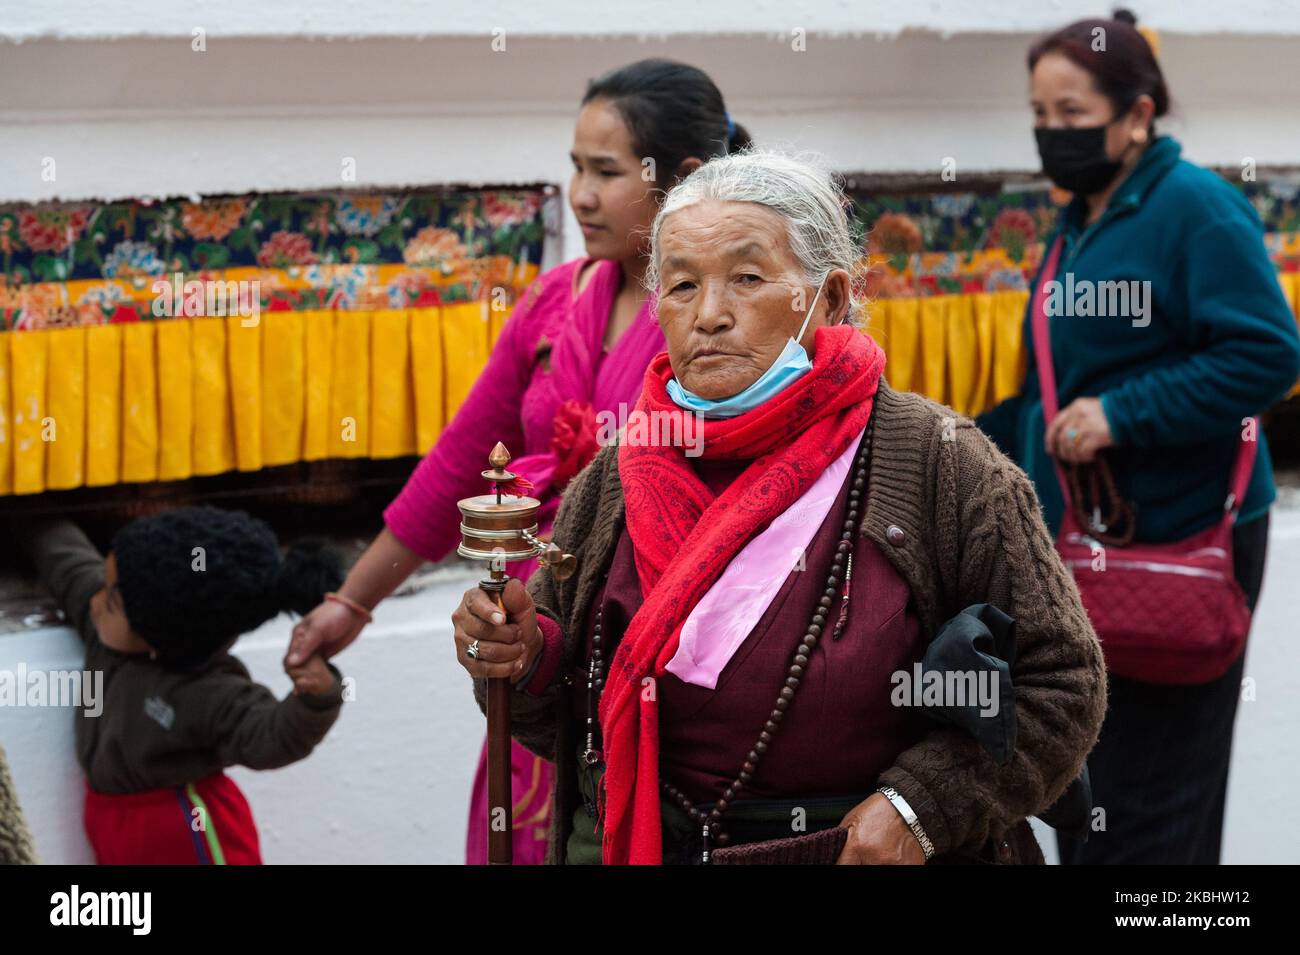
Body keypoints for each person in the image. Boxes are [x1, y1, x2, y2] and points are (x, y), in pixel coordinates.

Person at [451, 150, 1108, 865]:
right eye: (679, 285)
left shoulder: (941, 463)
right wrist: (525, 658)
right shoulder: (616, 474)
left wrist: (921, 807)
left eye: (748, 278)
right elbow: (560, 716)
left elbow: (1063, 683)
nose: (708, 315)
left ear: (826, 298)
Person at [285, 59, 751, 864]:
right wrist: (350, 605)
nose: (581, 193)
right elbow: (455, 472)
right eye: (575, 166)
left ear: (685, 178)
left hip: (669, 663)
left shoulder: (728, 323)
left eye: (606, 171)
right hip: (532, 649)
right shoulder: (554, 302)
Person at [977, 10, 1300, 864]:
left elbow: (1268, 352)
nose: (1053, 134)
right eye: (1041, 116)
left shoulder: (1195, 207)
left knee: (1155, 801)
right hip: (1089, 544)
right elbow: (1051, 389)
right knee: (1095, 791)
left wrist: (1125, 413)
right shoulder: (1080, 220)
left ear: (1138, 115)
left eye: (1073, 114)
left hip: (1185, 533)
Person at [13, 507, 345, 864]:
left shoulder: (208, 691)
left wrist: (316, 699)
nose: (94, 601)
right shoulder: (107, 633)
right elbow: (69, 564)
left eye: (110, 599)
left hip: (188, 831)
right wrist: (29, 513)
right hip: (112, 819)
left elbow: (271, 736)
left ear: (163, 635)